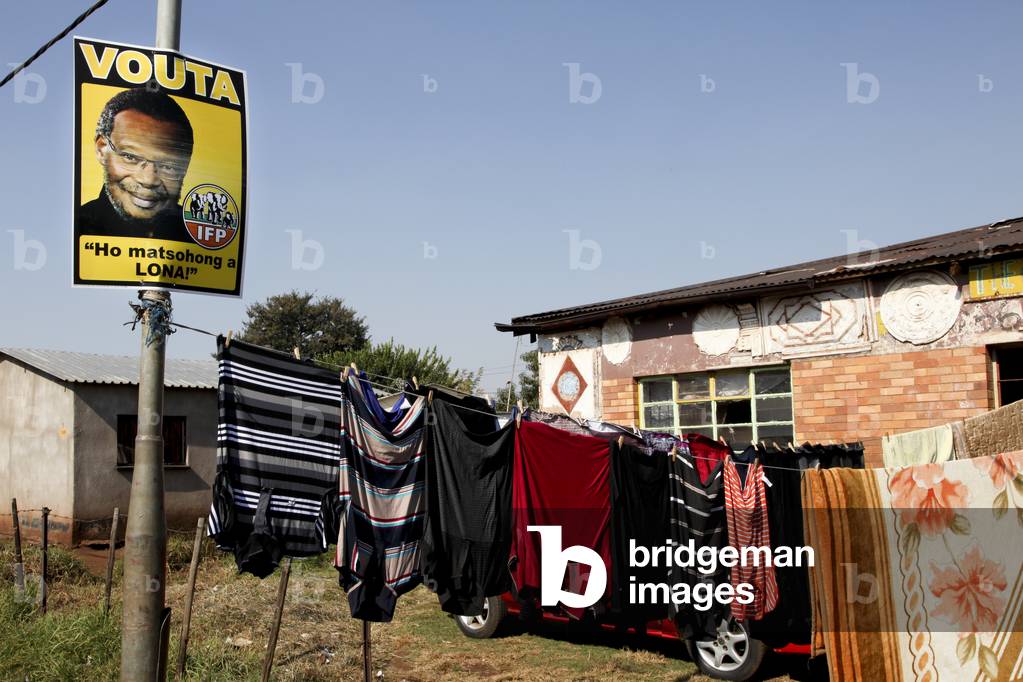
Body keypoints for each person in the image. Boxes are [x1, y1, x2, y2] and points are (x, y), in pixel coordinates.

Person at [78, 87, 194, 241]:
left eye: (168, 166)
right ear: (101, 149)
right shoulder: (75, 229)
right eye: (130, 157)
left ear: (185, 168)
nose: (149, 180)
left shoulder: (199, 236)